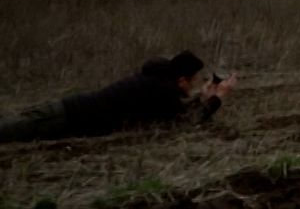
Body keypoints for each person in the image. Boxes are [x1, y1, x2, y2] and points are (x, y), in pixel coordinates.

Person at [0, 51, 235, 144]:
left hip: (63, 113)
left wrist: (203, 99)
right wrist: (217, 99)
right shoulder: (162, 90)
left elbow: (174, 113)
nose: (195, 85)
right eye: (194, 81)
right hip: (61, 119)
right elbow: (184, 123)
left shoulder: (159, 82)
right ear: (182, 80)